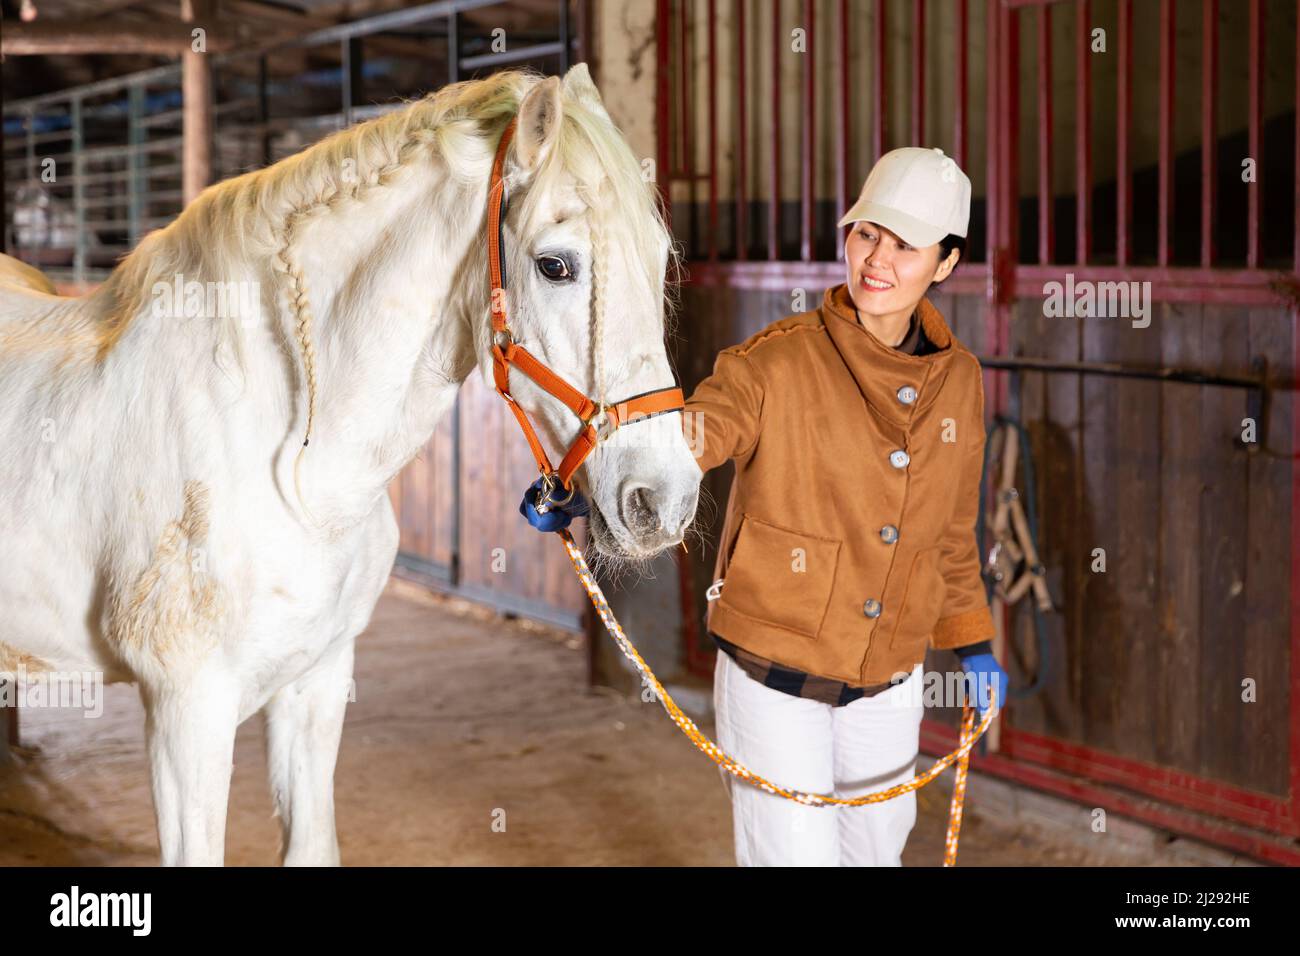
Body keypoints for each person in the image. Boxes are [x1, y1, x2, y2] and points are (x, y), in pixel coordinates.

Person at [524, 146, 1008, 867]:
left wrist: (971, 640)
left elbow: (951, 529)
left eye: (906, 245)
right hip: (774, 680)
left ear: (944, 264)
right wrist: (590, 488)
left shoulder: (961, 381)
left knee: (876, 854)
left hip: (891, 680)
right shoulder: (774, 361)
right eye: (867, 232)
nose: (877, 259)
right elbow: (695, 434)